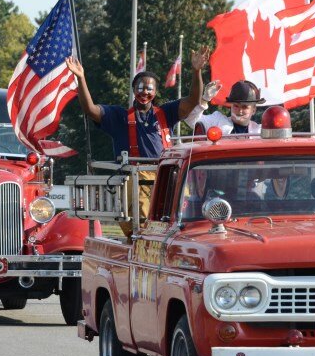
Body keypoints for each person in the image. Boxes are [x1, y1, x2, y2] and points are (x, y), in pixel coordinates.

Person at [66, 47, 208, 228]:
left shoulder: (167, 113)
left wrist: (197, 71)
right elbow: (90, 109)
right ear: (134, 89)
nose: (144, 92)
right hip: (135, 181)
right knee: (144, 220)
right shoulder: (119, 117)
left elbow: (193, 100)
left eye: (149, 88)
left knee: (179, 219)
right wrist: (81, 77)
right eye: (140, 88)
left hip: (166, 177)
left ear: (155, 92)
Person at [185, 79, 264, 136]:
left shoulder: (260, 131)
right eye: (236, 106)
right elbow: (191, 119)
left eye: (245, 107)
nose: (240, 111)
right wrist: (205, 99)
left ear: (253, 110)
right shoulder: (217, 122)